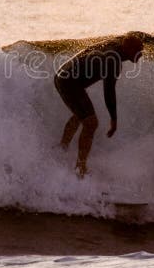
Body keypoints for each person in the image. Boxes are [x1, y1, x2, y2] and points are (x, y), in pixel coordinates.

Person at [54, 32, 144, 178]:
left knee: (81, 116)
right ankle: (80, 168)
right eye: (138, 50)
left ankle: (61, 149)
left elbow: (122, 38)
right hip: (68, 81)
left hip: (63, 76)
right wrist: (114, 120)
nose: (141, 54)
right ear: (127, 48)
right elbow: (108, 91)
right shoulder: (113, 60)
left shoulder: (117, 46)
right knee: (91, 123)